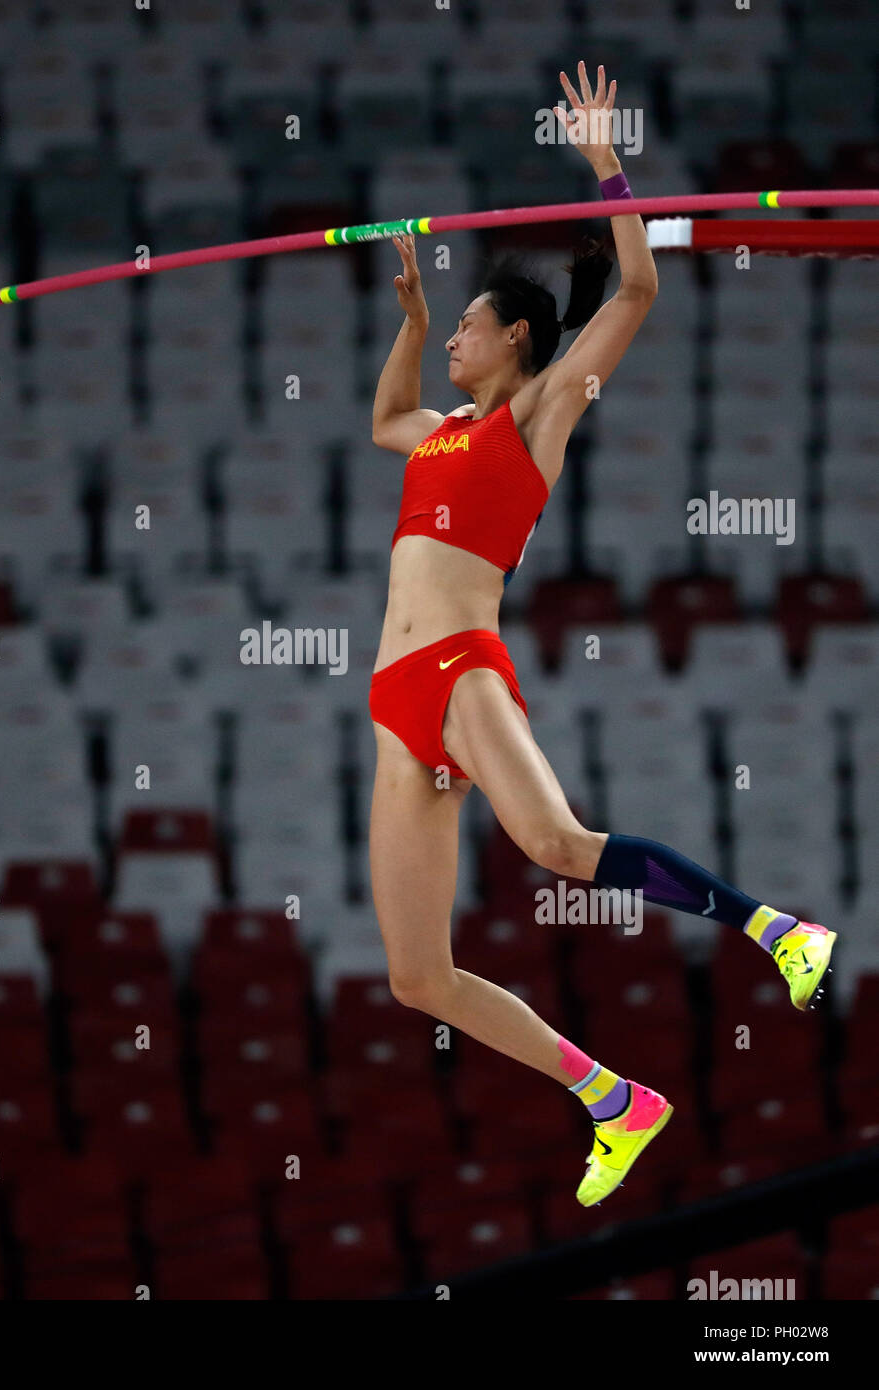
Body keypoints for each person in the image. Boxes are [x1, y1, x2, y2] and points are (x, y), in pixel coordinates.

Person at [366, 63, 835, 1205]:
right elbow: (385, 416)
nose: (460, 342)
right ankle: (612, 1099)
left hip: (459, 667)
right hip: (393, 704)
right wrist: (415, 325)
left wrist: (604, 169)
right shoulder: (436, 432)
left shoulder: (533, 416)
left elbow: (632, 292)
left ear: (518, 340)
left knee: (561, 849)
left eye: (471, 326)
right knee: (416, 979)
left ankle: (776, 930)